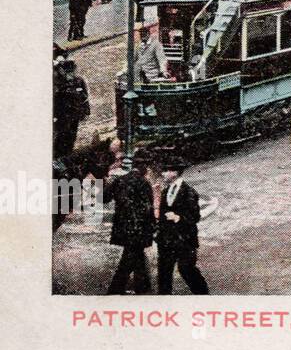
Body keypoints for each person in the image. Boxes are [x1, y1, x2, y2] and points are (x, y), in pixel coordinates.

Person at [102, 150, 156, 295]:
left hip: (123, 230)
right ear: (144, 166)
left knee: (136, 259)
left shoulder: (119, 180)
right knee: (126, 264)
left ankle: (143, 288)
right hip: (138, 231)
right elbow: (148, 209)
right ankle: (114, 292)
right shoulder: (144, 184)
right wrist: (153, 228)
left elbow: (104, 198)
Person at [156, 159, 209, 295]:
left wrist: (178, 217)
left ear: (174, 173)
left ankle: (203, 296)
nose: (163, 174)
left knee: (186, 269)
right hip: (166, 239)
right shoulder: (165, 191)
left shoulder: (188, 191)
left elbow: (195, 216)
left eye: (166, 171)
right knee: (164, 271)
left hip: (184, 239)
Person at [53, 57, 90, 159]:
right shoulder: (57, 83)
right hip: (62, 116)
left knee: (72, 136)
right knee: (61, 137)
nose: (70, 73)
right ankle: (58, 156)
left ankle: (68, 154)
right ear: (61, 70)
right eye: (67, 71)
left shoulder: (78, 81)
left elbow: (84, 97)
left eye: (72, 71)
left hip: (75, 114)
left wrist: (86, 111)